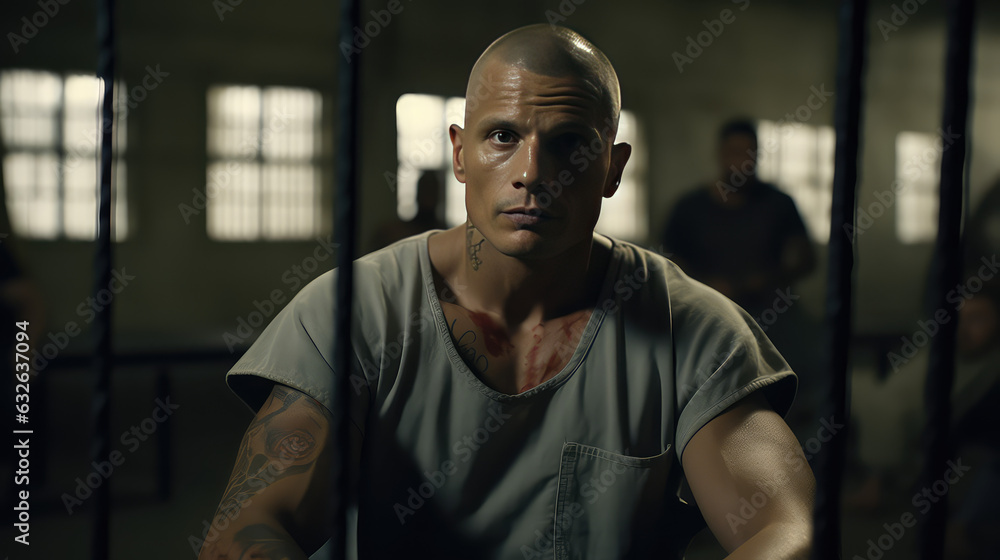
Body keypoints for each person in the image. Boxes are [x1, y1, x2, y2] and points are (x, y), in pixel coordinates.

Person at [197, 24, 815, 560]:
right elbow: (246, 529)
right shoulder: (354, 313)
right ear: (460, 154)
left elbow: (787, 530)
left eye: (570, 142)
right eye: (502, 137)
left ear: (613, 168)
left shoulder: (692, 329)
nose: (532, 173)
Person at [660, 119, 815, 319]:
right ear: (721, 154)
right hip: (705, 314)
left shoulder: (779, 204)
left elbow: (806, 259)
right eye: (735, 153)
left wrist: (768, 280)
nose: (742, 162)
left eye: (749, 154)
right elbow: (668, 262)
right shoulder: (689, 207)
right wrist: (703, 283)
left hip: (769, 316)